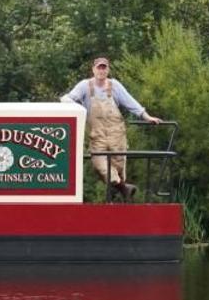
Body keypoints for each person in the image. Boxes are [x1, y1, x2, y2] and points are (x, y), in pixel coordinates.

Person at [61, 57, 162, 201]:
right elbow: (66, 99)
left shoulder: (115, 86)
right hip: (98, 136)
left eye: (104, 68)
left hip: (116, 135)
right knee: (99, 165)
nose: (101, 71)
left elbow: (131, 102)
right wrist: (80, 110)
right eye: (99, 67)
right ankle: (124, 188)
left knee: (119, 170)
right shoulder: (84, 86)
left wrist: (147, 117)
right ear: (93, 69)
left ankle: (120, 197)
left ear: (108, 70)